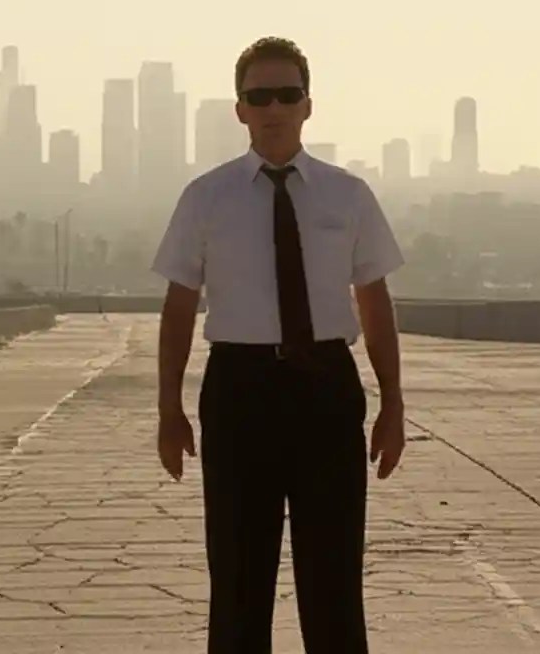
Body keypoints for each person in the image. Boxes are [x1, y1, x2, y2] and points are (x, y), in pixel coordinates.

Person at [151, 36, 406, 653]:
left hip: (326, 391)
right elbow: (179, 306)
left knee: (334, 580)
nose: (273, 108)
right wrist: (167, 408)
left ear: (307, 105)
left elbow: (374, 303)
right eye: (258, 96)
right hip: (240, 392)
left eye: (286, 95)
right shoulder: (206, 198)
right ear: (239, 109)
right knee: (238, 582)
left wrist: (393, 403)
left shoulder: (348, 196)